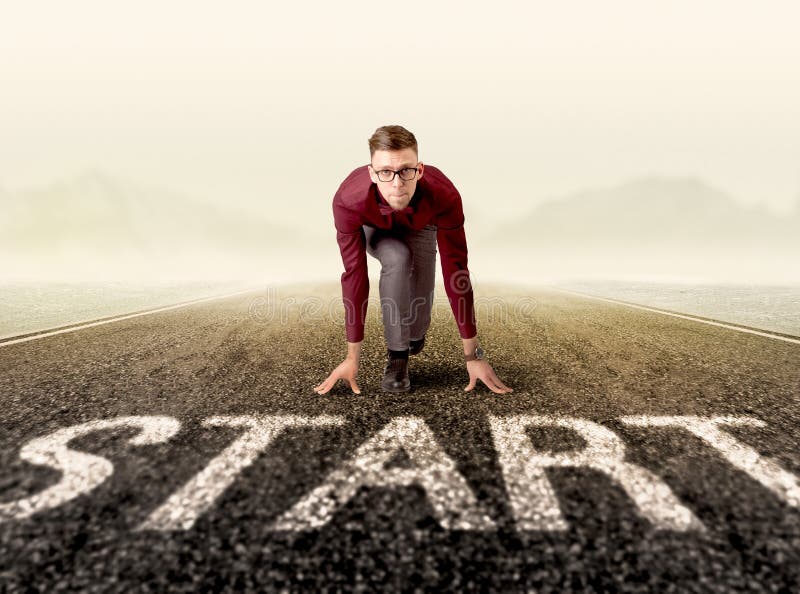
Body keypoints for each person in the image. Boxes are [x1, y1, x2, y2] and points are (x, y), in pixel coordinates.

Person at [313, 125, 513, 395]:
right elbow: (355, 277)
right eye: (385, 172)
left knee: (416, 328)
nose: (397, 183)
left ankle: (414, 337)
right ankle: (397, 358)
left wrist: (473, 355)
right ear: (372, 173)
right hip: (376, 226)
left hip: (423, 223)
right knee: (398, 257)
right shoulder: (348, 201)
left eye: (406, 171)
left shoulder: (445, 196)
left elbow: (456, 270)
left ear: (420, 170)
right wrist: (352, 357)